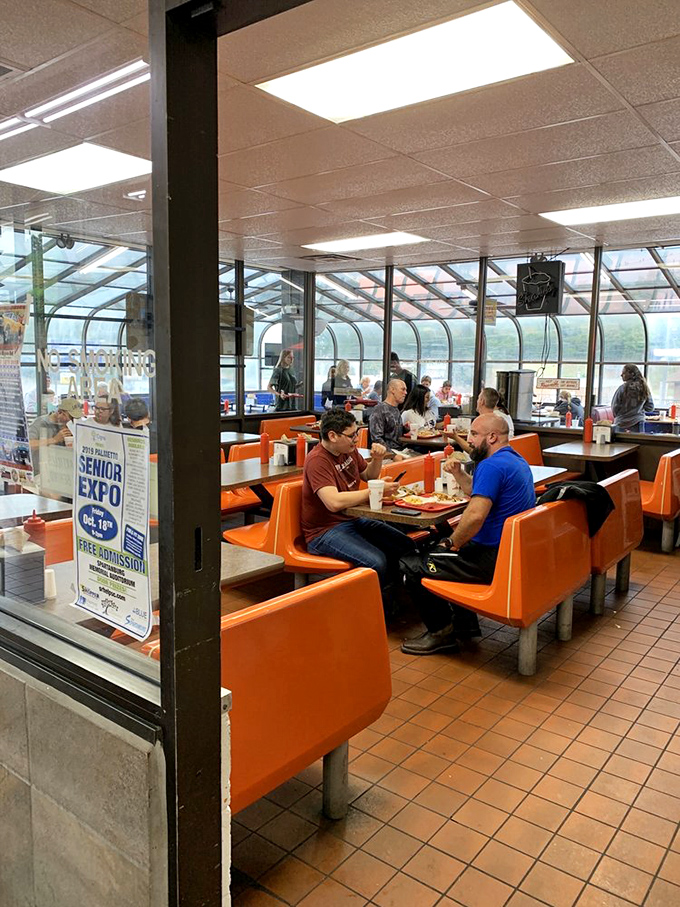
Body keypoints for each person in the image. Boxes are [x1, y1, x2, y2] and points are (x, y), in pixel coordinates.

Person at [400, 412, 535, 655]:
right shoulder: (514, 460)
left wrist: (450, 543)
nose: (468, 439)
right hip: (512, 552)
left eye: (474, 434)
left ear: (492, 437)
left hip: (492, 558)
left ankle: (441, 632)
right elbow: (478, 489)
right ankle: (465, 626)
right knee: (440, 548)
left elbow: (474, 517)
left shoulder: (492, 465)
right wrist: (459, 474)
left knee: (412, 564)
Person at [301, 408, 416, 591]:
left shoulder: (349, 450)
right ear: (332, 435)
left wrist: (377, 459)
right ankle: (377, 610)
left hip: (352, 519)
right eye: (351, 435)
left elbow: (369, 475)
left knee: (405, 545)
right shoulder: (317, 460)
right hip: (323, 531)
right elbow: (334, 502)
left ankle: (394, 596)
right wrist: (374, 491)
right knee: (377, 562)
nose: (356, 439)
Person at [28, 397, 83, 473]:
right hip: (41, 473)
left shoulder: (67, 425)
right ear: (60, 412)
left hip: (60, 472)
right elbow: (29, 444)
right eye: (70, 418)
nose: (72, 421)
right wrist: (54, 440)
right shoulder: (40, 423)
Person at [368, 378, 408, 455]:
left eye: (406, 390)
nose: (405, 393)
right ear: (392, 389)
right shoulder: (379, 409)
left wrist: (405, 429)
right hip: (386, 454)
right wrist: (393, 455)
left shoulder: (396, 410)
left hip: (400, 450)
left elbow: (394, 434)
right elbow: (377, 439)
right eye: (403, 389)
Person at [612, 364, 654, 432]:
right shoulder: (644, 388)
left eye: (624, 373)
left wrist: (622, 415)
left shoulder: (622, 389)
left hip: (621, 424)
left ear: (631, 374)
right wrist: (639, 409)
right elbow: (650, 407)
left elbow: (615, 408)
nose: (621, 375)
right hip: (638, 423)